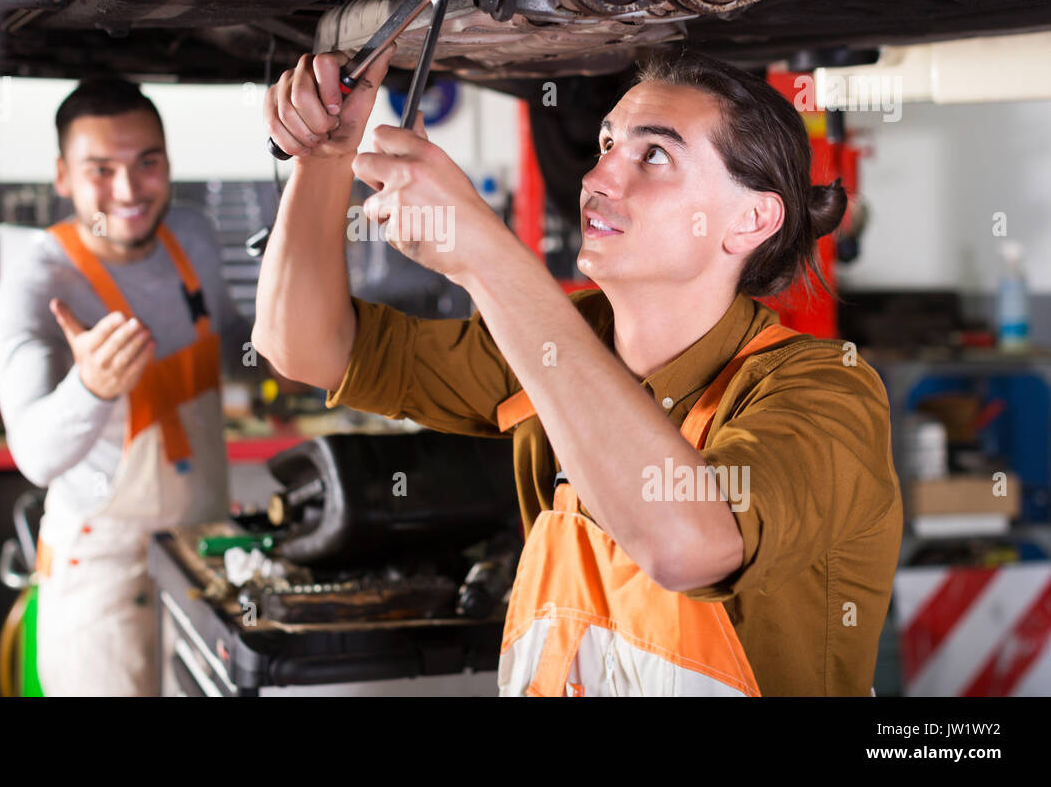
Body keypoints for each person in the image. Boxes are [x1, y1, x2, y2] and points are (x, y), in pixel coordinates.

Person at [253, 46, 902, 697]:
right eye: (606, 145)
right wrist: (327, 156)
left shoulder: (825, 392)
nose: (597, 179)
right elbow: (306, 345)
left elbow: (687, 545)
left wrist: (487, 256)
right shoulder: (564, 340)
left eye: (654, 156)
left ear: (750, 220)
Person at [0, 77, 247, 696]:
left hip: (204, 555)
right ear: (62, 176)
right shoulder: (31, 291)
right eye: (101, 169)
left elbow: (237, 342)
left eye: (146, 163)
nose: (128, 191)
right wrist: (92, 388)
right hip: (102, 575)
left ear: (167, 163)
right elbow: (35, 455)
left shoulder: (194, 240)